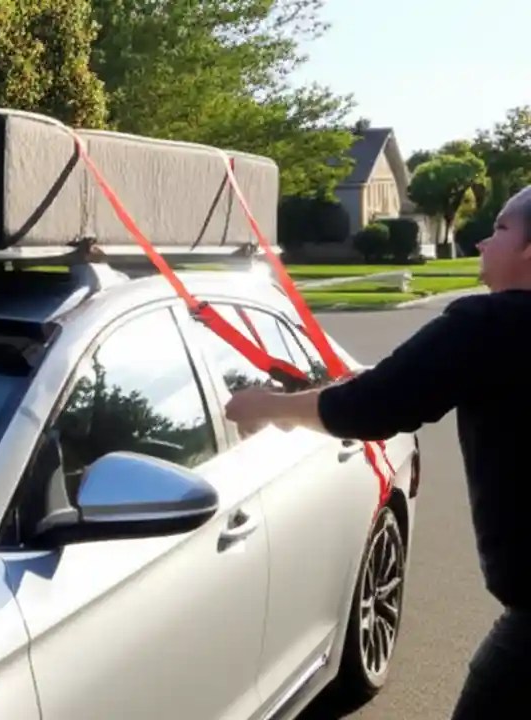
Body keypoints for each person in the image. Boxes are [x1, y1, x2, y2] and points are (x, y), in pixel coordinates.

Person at [225, 186, 531, 717]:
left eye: (500, 229)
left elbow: (371, 407)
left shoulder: (489, 326)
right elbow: (397, 384)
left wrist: (267, 407)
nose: (483, 242)